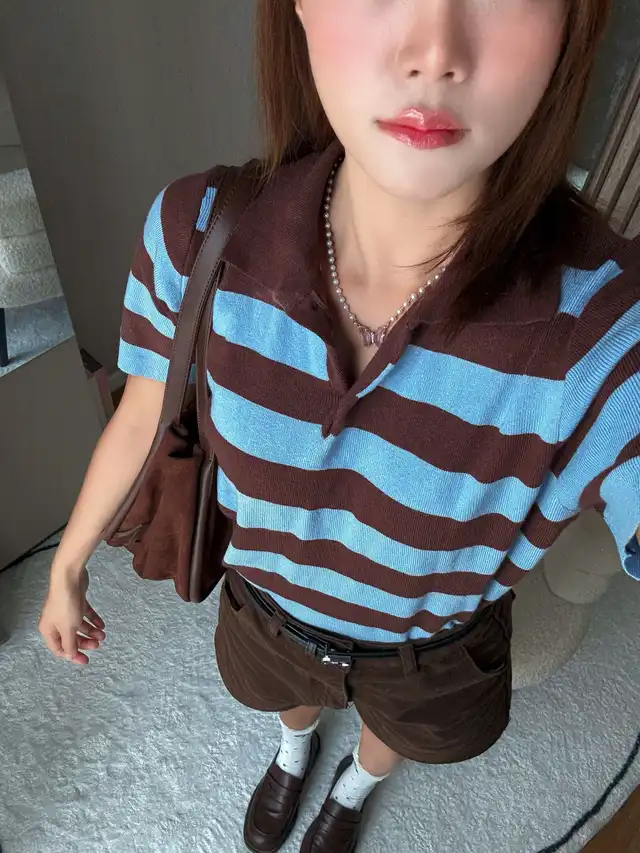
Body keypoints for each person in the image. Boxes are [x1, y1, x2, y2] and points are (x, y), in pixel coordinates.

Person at [39, 1, 639, 851]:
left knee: (395, 729)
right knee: (286, 697)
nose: (434, 52)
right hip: (269, 611)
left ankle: (354, 785)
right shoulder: (195, 230)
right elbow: (143, 408)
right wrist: (66, 563)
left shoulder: (608, 327)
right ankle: (293, 754)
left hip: (432, 653)